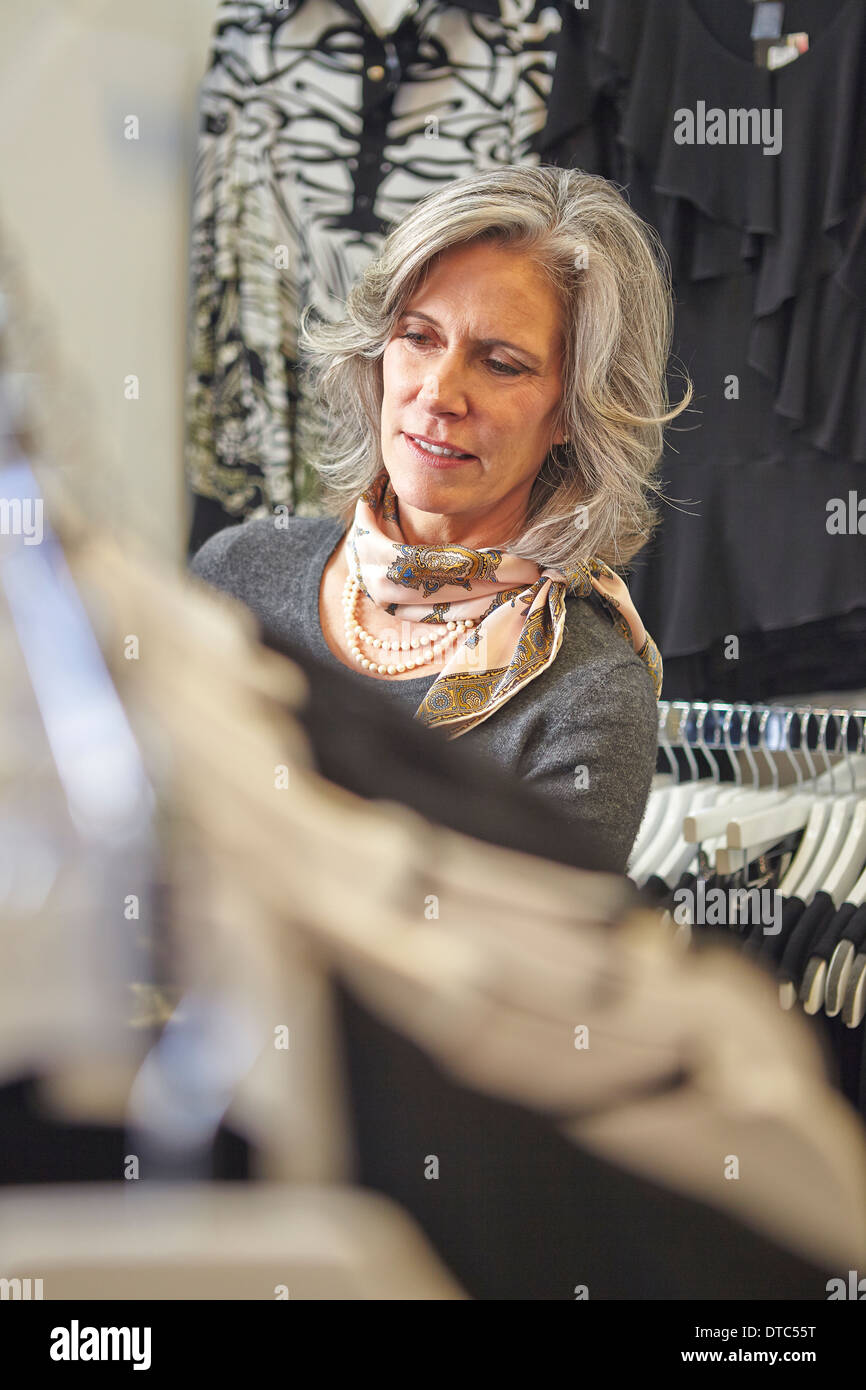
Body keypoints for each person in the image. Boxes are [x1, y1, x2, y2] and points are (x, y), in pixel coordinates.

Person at [189, 165, 691, 870]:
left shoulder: (587, 692)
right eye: (419, 336)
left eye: (502, 364)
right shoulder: (237, 573)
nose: (439, 392)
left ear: (572, 415)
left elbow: (521, 969)